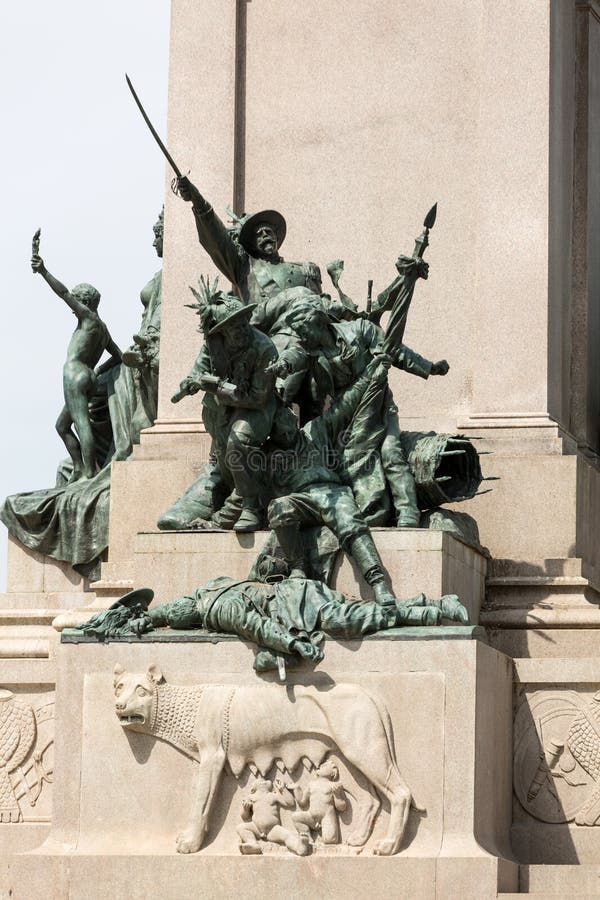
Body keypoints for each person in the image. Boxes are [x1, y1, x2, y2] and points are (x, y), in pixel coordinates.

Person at [267, 300, 449, 526]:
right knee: (348, 461)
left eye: (303, 329)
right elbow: (294, 356)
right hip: (346, 413)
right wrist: (283, 365)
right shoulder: (310, 351)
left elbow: (394, 350)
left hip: (378, 404)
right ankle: (367, 509)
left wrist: (429, 367)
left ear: (317, 322)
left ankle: (408, 512)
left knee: (391, 452)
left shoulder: (360, 328)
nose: (301, 336)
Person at [77, 569, 469, 672]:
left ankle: (435, 607)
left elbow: (258, 628)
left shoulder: (217, 608)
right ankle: (427, 604)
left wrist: (292, 644)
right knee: (359, 613)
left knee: (358, 619)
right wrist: (139, 620)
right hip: (295, 596)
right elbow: (162, 613)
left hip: (298, 606)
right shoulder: (208, 589)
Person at [172, 283, 278, 531]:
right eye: (232, 327)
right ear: (222, 331)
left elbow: (258, 397)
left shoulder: (264, 348)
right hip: (221, 410)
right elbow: (199, 369)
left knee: (238, 440)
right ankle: (224, 498)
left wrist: (218, 387)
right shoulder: (213, 345)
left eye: (242, 323)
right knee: (223, 454)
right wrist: (191, 382)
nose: (239, 330)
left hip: (257, 408)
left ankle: (251, 507)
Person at [31, 245, 121, 481]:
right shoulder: (103, 329)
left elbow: (63, 294)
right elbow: (118, 356)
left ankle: (89, 473)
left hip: (74, 373)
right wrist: (99, 370)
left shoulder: (88, 317)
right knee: (62, 426)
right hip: (89, 376)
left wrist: (44, 271)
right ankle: (80, 467)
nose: (74, 307)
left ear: (85, 301)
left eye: (78, 299)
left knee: (82, 424)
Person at [176, 176, 322, 305]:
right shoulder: (244, 268)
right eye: (259, 234)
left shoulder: (303, 270)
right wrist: (197, 200)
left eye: (268, 232)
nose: (265, 236)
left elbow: (321, 308)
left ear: (277, 237)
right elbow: (218, 240)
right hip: (266, 333)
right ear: (252, 244)